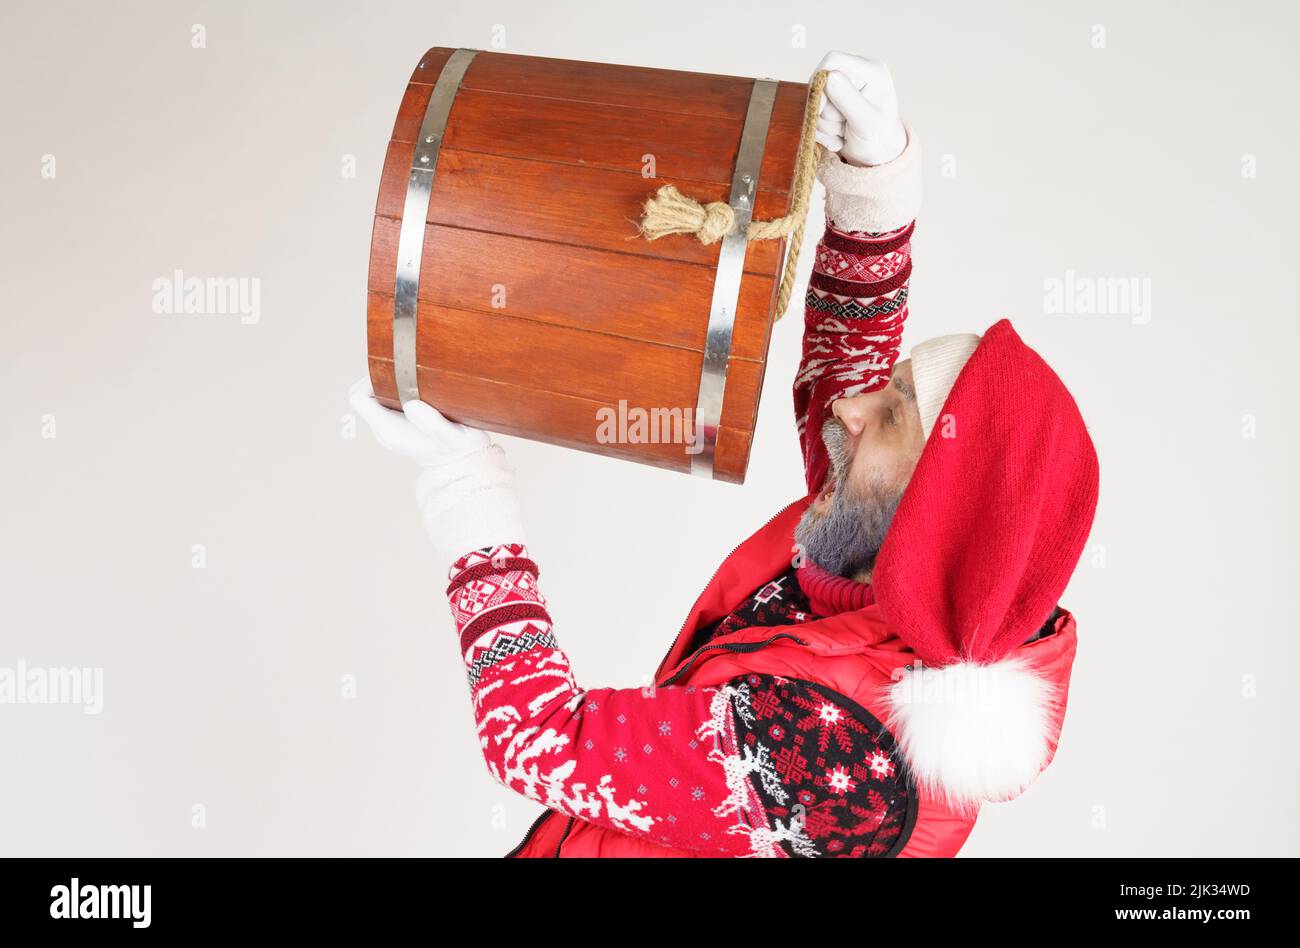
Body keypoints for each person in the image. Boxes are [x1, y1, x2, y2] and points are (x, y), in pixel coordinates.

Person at [350, 50, 1099, 857]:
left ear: (937, 515)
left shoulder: (842, 758)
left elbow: (537, 735)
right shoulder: (885, 572)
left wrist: (469, 501)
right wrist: (872, 190)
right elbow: (841, 389)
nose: (851, 406)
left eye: (892, 413)